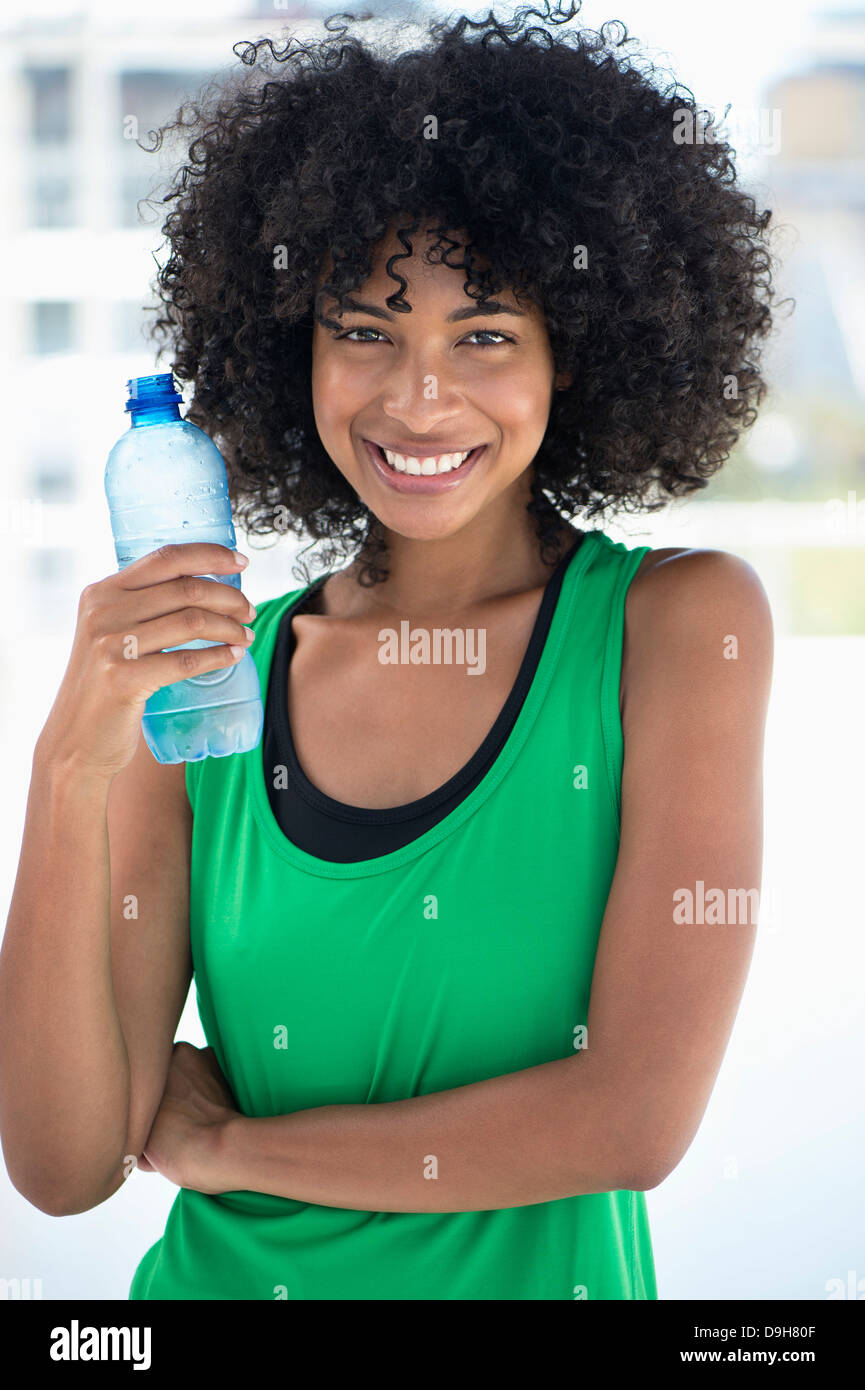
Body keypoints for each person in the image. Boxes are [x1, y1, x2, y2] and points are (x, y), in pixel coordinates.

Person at [0, 1, 776, 1300]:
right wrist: (70, 757)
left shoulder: (679, 626)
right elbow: (67, 1161)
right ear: (289, 346)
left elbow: (631, 1120)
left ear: (568, 358)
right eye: (362, 331)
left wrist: (235, 1141)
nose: (418, 398)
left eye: (483, 337)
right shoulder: (210, 680)